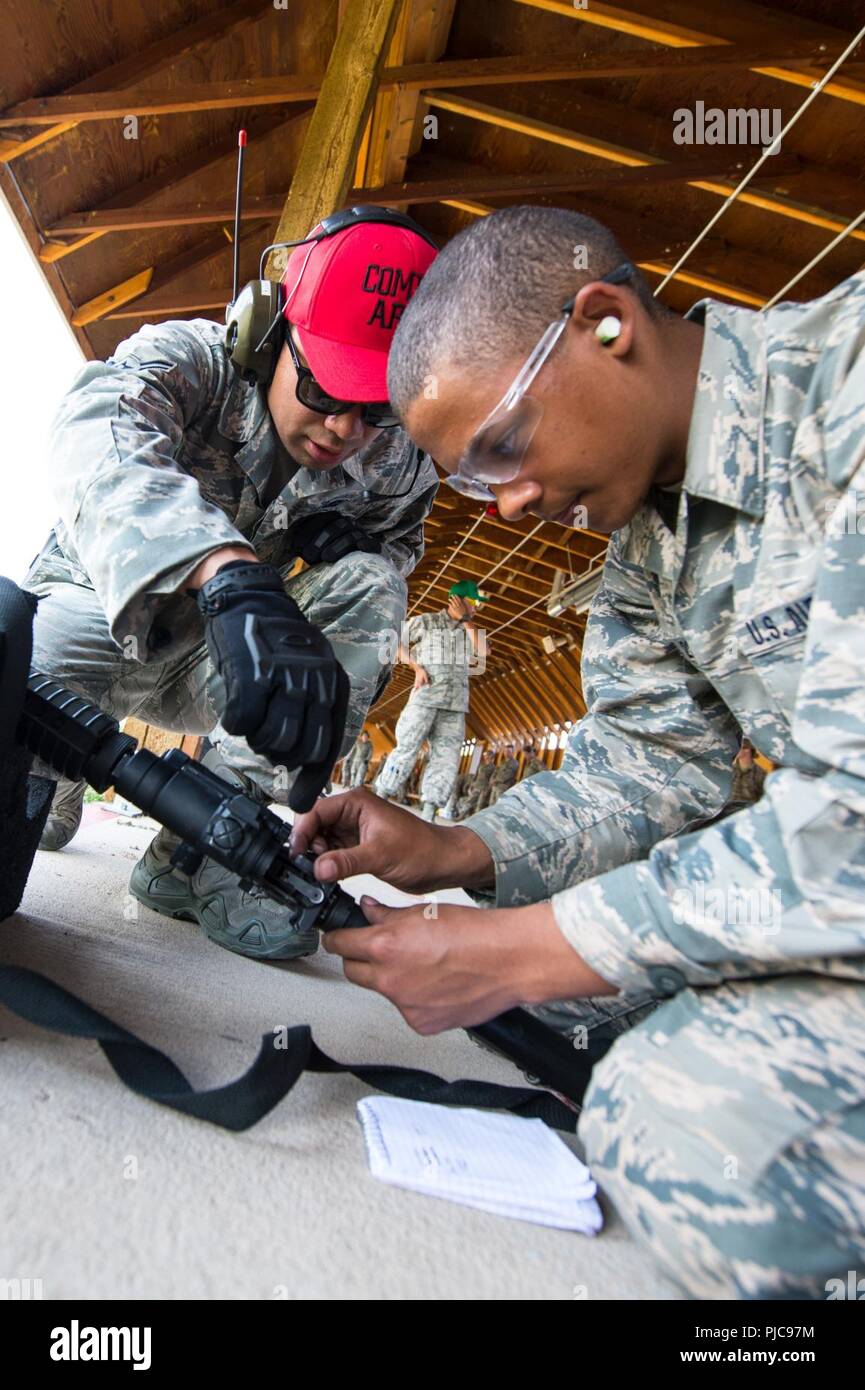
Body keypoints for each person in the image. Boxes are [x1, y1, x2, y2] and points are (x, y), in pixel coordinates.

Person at [292, 205, 865, 1298]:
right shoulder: (649, 537)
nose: (507, 504)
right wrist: (458, 848)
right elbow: (646, 761)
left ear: (604, 324)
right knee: (573, 999)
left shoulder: (845, 396)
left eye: (504, 445)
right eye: (472, 479)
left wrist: (516, 948)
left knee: (678, 1127)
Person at [27, 207, 438, 961]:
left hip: (231, 664)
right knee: (28, 768)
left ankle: (200, 853)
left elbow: (398, 544)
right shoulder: (190, 361)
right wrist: (222, 566)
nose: (344, 427)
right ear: (268, 334)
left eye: (374, 407)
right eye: (321, 387)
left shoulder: (396, 461)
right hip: (96, 620)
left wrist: (357, 546)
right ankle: (48, 773)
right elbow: (92, 435)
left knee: (372, 587)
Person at [374, 581, 485, 821]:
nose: (476, 608)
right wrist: (415, 667)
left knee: (446, 759)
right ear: (457, 600)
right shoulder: (427, 621)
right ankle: (380, 796)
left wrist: (466, 620)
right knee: (407, 748)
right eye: (474, 602)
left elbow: (484, 651)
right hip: (425, 697)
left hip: (455, 706)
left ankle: (428, 813)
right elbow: (395, 643)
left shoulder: (470, 629)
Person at [729, 737, 766, 805]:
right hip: (729, 811)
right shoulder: (729, 770)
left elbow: (764, 800)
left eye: (737, 747)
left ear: (746, 749)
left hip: (749, 812)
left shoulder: (760, 773)